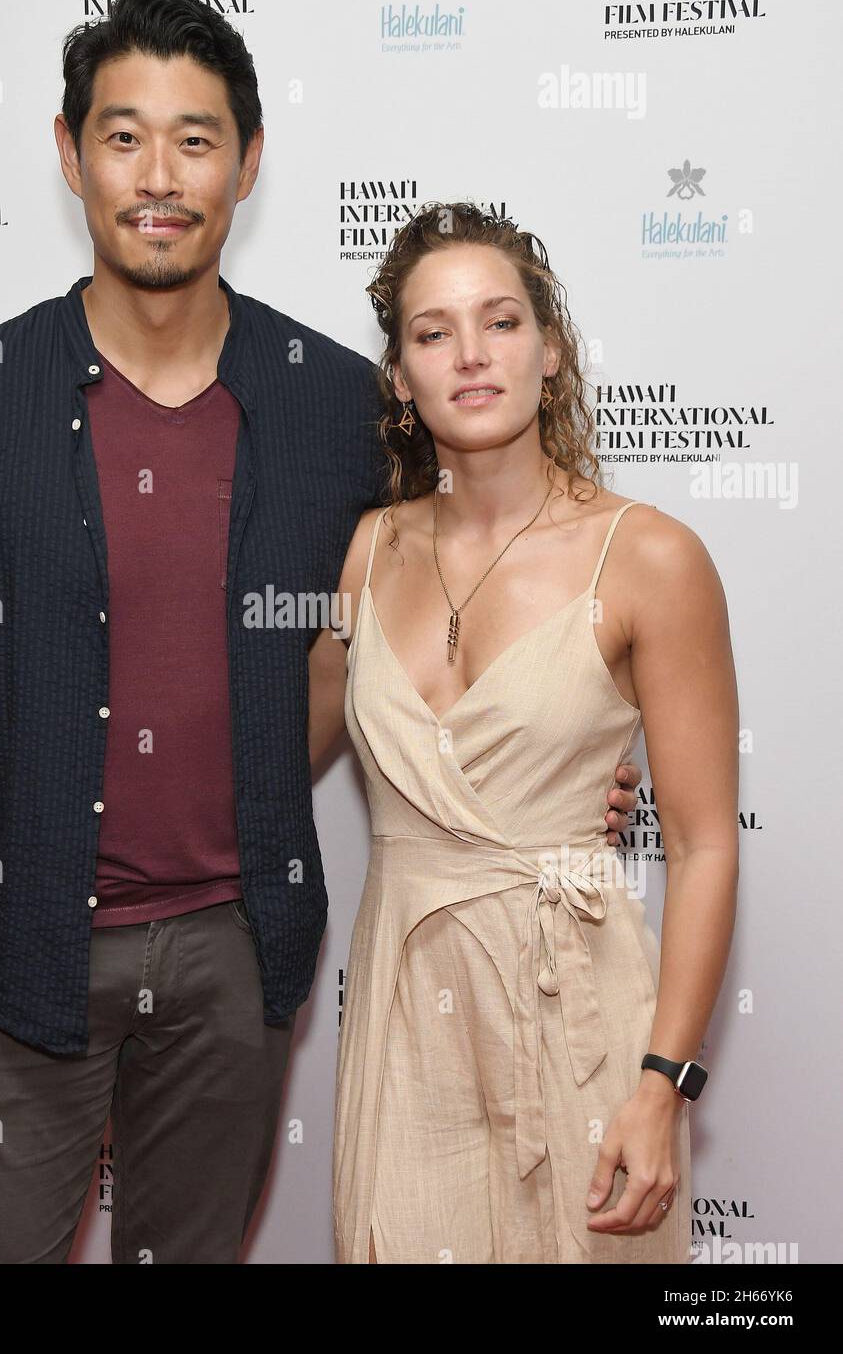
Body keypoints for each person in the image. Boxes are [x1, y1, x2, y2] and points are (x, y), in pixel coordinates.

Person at [0, 0, 645, 1263]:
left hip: (236, 958)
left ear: (248, 162)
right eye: (122, 136)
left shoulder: (341, 410)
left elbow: (464, 593)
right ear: (67, 152)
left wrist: (546, 764)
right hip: (5, 958)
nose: (159, 175)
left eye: (196, 138)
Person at [324, 202, 739, 1264]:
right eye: (431, 332)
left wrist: (663, 1087)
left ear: (549, 351)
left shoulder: (645, 556)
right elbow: (284, 746)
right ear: (401, 380)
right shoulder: (367, 549)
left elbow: (699, 845)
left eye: (499, 322)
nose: (469, 354)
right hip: (403, 1012)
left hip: (573, 1005)